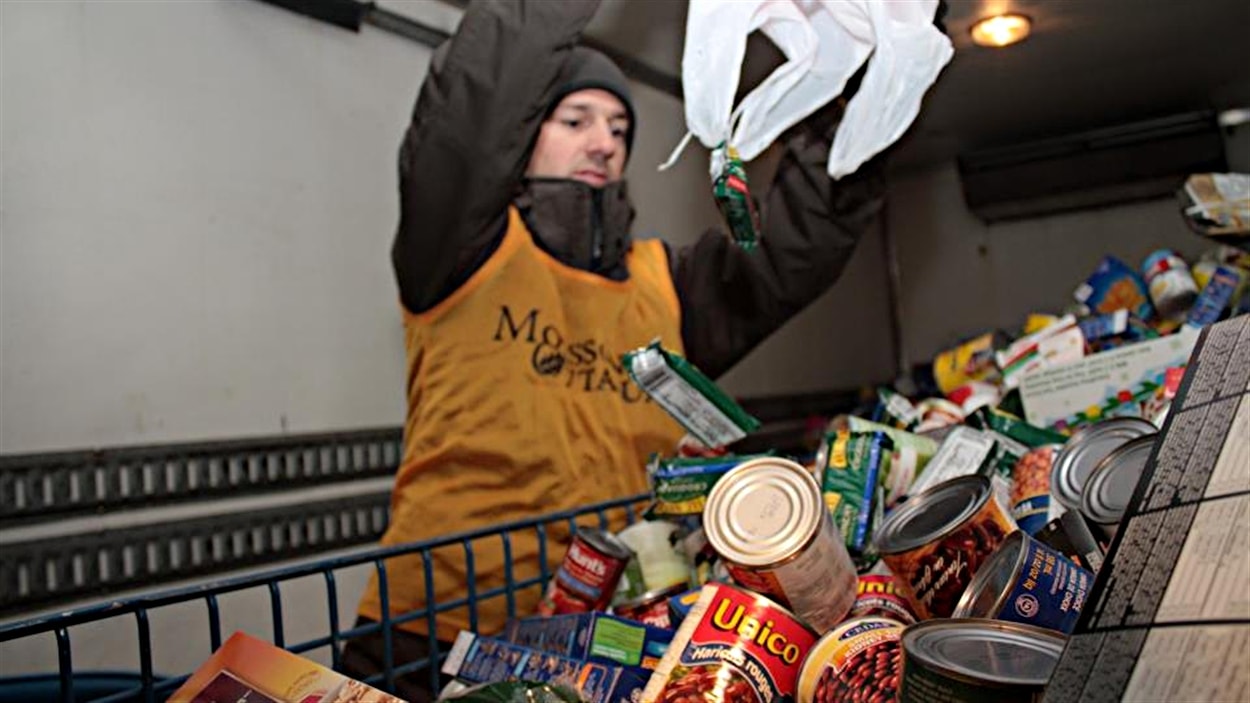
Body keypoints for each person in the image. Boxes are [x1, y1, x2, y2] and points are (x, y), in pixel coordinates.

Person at [341, 0, 885, 699]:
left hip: (604, 641)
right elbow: (467, 123)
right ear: (522, 135)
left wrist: (860, 91)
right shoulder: (461, 250)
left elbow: (792, 253)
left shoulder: (669, 284)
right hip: (430, 632)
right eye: (575, 120)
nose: (604, 142)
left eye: (620, 127)